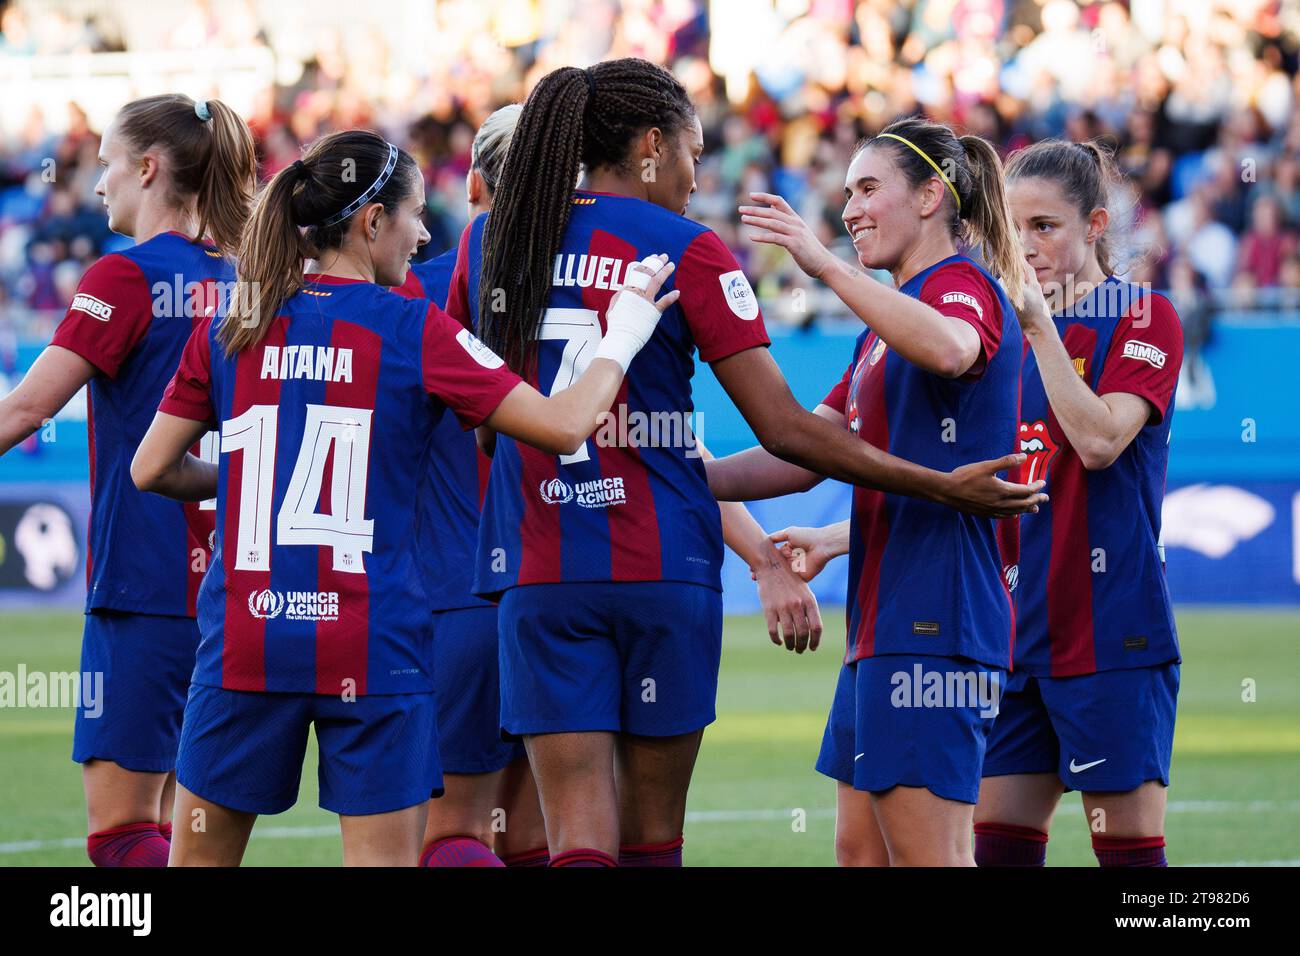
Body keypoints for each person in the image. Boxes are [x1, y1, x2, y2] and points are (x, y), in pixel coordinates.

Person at [457, 61, 1044, 867]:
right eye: (696, 153)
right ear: (655, 146)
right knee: (663, 840)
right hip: (665, 569)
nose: (700, 176)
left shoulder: (492, 240)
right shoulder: (691, 250)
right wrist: (933, 486)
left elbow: (482, 424)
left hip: (541, 564)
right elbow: (793, 434)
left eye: (867, 190)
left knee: (573, 842)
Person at [129, 129, 678, 866]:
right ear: (371, 221)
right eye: (416, 214)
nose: (424, 234)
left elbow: (152, 470)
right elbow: (565, 424)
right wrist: (627, 330)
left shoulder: (233, 324)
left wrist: (253, 482)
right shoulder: (417, 329)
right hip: (372, 644)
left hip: (245, 639)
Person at [711, 116, 1028, 866]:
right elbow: (799, 450)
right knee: (861, 854)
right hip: (883, 625)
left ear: (929, 197)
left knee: (930, 858)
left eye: (867, 188)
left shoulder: (958, 289)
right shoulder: (878, 331)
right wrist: (668, 474)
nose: (848, 208)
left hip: (937, 618)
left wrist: (821, 264)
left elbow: (952, 350)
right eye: (846, 191)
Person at [0, 94, 255, 867]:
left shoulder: (124, 278)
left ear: (147, 168)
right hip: (235, 587)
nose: (100, 183)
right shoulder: (245, 278)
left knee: (121, 837)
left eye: (109, 164)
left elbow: (27, 408)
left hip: (145, 585)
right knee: (191, 840)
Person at [972, 139, 1183, 867]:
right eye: (1012, 228)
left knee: (1125, 854)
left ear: (1095, 224)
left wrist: (1040, 328)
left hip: (1111, 633)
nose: (1025, 247)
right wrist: (840, 538)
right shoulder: (991, 336)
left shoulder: (1143, 316)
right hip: (1012, 638)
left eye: (1044, 227)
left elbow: (1098, 442)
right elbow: (972, 485)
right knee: (994, 847)